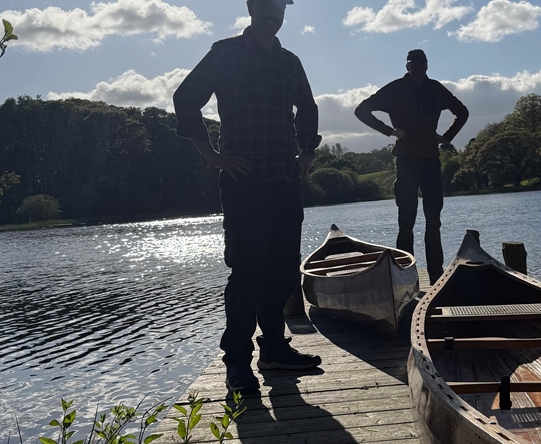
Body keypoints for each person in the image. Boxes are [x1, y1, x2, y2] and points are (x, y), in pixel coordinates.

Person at [173, 0, 322, 393]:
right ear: (252, 7)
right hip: (245, 182)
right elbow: (186, 98)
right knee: (246, 273)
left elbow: (307, 107)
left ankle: (273, 350)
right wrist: (211, 155)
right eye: (267, 4)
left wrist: (306, 152)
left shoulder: (290, 60)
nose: (274, 11)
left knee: (284, 270)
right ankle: (237, 363)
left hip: (285, 180)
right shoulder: (225, 53)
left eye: (280, 5)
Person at [354, 49, 468, 284]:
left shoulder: (435, 89)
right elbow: (361, 110)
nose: (418, 68)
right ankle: (405, 277)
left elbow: (462, 112)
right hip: (405, 161)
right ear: (407, 67)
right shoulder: (395, 89)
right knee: (406, 221)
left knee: (433, 220)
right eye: (414, 64)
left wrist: (447, 137)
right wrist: (390, 131)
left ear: (427, 65)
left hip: (430, 160)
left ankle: (436, 276)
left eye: (422, 64)